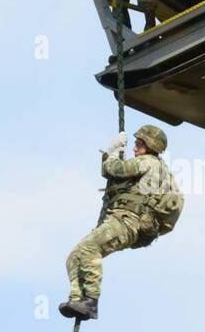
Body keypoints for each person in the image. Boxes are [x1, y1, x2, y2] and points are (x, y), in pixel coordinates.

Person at [61, 124, 183, 321]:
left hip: (127, 221)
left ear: (150, 146)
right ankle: (78, 298)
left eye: (139, 144)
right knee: (75, 256)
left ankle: (90, 301)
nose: (135, 148)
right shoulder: (163, 172)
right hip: (127, 222)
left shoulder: (148, 162)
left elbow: (114, 169)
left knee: (88, 249)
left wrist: (110, 152)